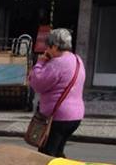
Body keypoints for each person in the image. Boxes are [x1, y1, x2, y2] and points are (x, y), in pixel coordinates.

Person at [28, 27, 85, 158]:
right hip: (75, 116)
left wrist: (40, 63)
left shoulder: (57, 63)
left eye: (48, 46)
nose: (46, 50)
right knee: (58, 152)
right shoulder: (77, 60)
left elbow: (38, 84)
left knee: (46, 157)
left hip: (58, 117)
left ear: (54, 46)